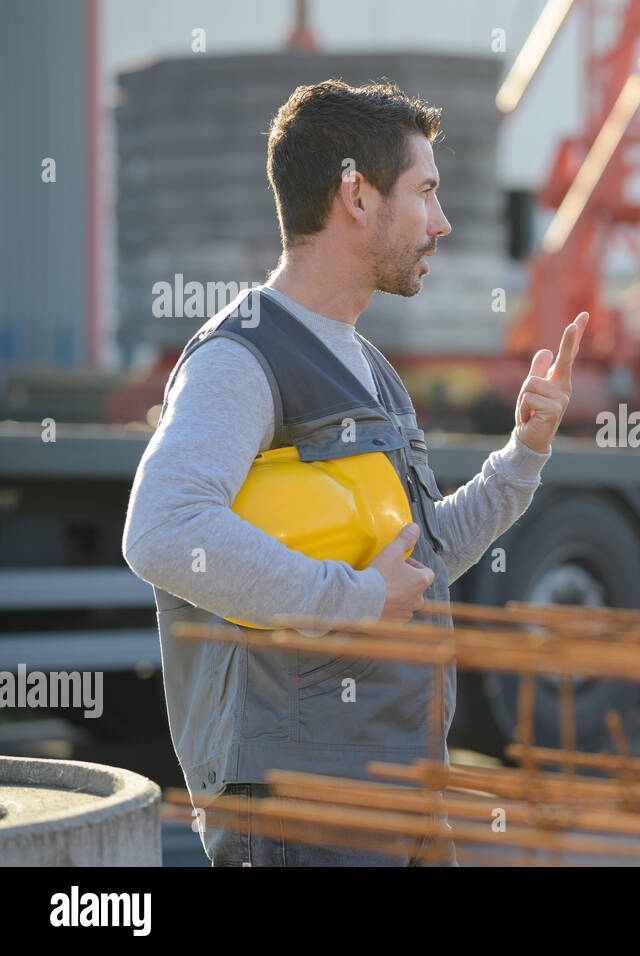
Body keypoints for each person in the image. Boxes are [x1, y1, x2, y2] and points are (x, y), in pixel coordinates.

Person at [122, 80, 588, 866]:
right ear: (357, 197)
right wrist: (358, 600)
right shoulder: (243, 356)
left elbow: (421, 558)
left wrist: (525, 452)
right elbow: (164, 530)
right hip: (303, 808)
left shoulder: (368, 363)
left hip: (400, 791)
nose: (441, 222)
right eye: (426, 192)